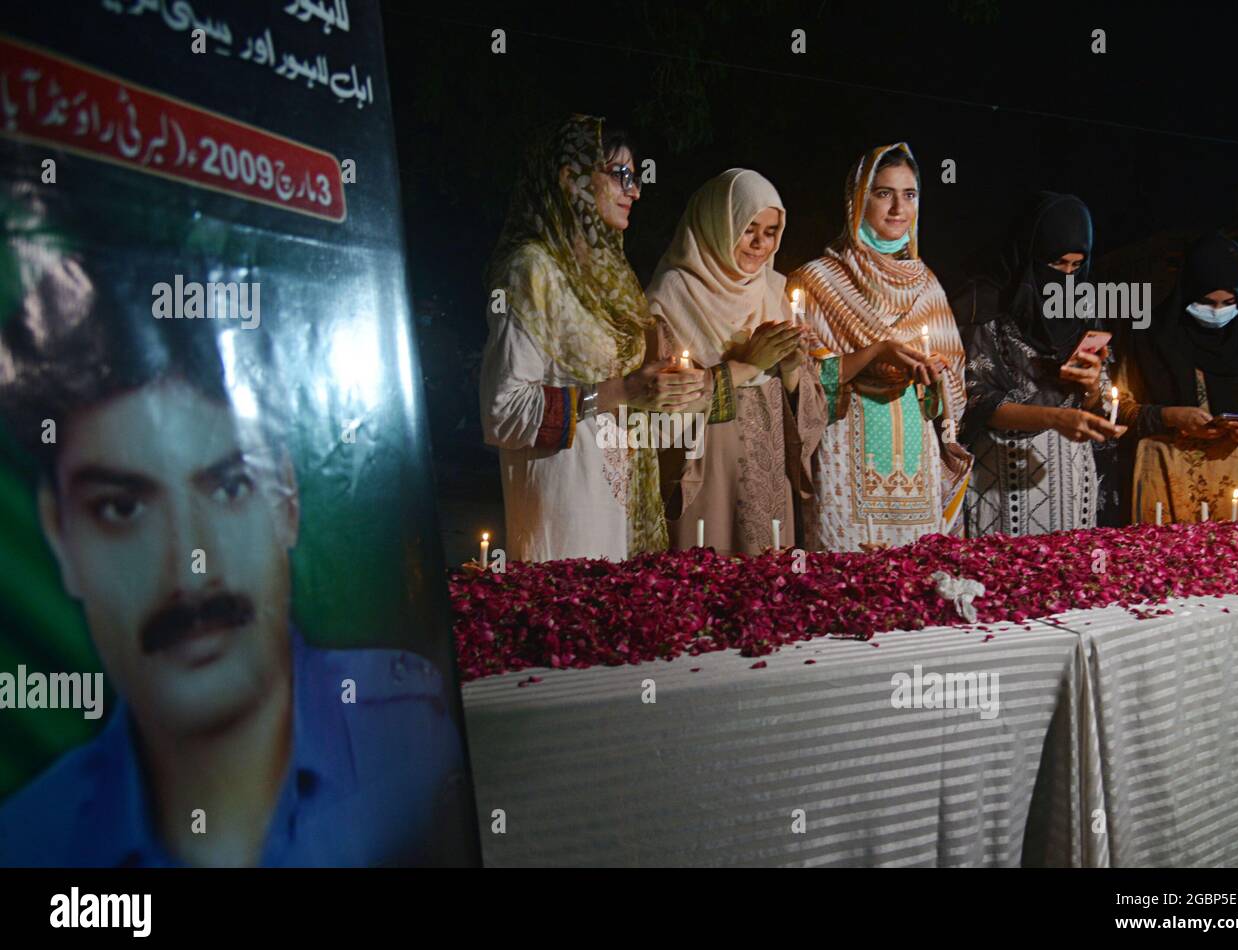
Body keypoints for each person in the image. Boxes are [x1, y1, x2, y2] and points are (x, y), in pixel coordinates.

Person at [0, 246, 466, 866]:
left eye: (229, 486)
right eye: (122, 508)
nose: (191, 567)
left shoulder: (416, 742)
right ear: (59, 537)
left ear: (289, 499)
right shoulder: (29, 842)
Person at [480, 114, 707, 562]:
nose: (635, 191)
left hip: (620, 504)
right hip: (564, 504)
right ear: (571, 179)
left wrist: (671, 386)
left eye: (636, 177)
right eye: (620, 175)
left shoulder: (610, 277)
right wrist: (624, 390)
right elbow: (502, 411)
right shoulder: (531, 269)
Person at [788, 143, 971, 550]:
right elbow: (801, 381)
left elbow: (955, 391)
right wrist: (873, 356)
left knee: (915, 590)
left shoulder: (928, 286)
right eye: (883, 193)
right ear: (858, 200)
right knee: (842, 592)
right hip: (842, 467)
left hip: (916, 470)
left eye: (909, 195)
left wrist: (936, 377)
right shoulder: (817, 281)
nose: (897, 209)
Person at [644, 169, 826, 555]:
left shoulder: (774, 292)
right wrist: (744, 365)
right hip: (707, 475)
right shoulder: (671, 298)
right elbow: (658, 412)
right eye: (748, 228)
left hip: (769, 480)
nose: (760, 243)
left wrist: (792, 369)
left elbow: (808, 419)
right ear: (716, 224)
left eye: (771, 231)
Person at [953, 191, 1125, 536]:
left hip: (1072, 479)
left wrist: (1092, 385)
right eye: (1057, 264)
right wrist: (1054, 417)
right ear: (1028, 253)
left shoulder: (1084, 309)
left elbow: (1103, 398)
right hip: (1003, 478)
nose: (1067, 276)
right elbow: (974, 399)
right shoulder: (984, 306)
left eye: (1077, 266)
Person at [1116, 233, 1238, 522]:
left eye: (1227, 302)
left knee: (1237, 564)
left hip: (1236, 482)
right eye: (1207, 302)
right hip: (1166, 476)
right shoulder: (1149, 337)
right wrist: (1170, 416)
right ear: (1187, 290)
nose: (1217, 312)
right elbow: (1118, 407)